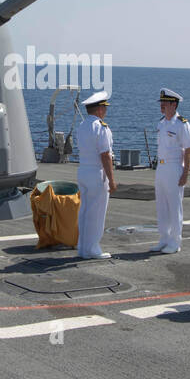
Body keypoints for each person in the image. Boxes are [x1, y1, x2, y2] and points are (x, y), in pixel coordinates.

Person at [74, 91, 116, 259]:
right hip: (96, 173)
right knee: (96, 213)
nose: (105, 111)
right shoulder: (101, 127)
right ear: (99, 109)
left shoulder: (82, 126)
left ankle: (83, 248)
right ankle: (93, 249)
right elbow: (105, 155)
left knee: (84, 211)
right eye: (104, 107)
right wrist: (112, 180)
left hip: (83, 170)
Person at [152, 88, 190, 254]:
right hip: (161, 167)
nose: (162, 105)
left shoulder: (182, 124)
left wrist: (185, 173)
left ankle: (175, 242)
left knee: (174, 206)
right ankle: (164, 238)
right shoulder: (161, 124)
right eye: (161, 102)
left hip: (174, 167)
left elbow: (188, 149)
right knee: (161, 206)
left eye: (165, 103)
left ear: (173, 104)